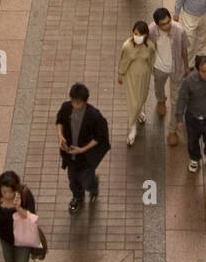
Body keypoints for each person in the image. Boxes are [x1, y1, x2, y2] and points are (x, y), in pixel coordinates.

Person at [55, 83, 111, 213]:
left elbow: (100, 137)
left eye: (78, 103)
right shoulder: (66, 108)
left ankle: (93, 187)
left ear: (85, 102)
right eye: (73, 102)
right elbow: (59, 120)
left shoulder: (94, 116)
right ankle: (77, 197)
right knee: (72, 180)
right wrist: (60, 136)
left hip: (86, 157)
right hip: (70, 154)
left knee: (86, 180)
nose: (75, 105)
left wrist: (82, 149)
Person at [149, 7, 189, 147]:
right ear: (156, 24)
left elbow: (184, 49)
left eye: (168, 22)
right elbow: (149, 48)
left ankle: (172, 130)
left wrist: (186, 66)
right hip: (159, 68)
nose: (167, 26)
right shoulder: (151, 30)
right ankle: (160, 100)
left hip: (177, 68)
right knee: (158, 87)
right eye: (163, 24)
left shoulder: (179, 31)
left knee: (176, 101)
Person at [118, 20, 156, 146]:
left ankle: (139, 112)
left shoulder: (150, 46)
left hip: (144, 76)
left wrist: (153, 72)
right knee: (133, 102)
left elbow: (151, 60)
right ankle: (132, 126)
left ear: (145, 35)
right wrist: (120, 74)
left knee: (142, 98)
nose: (137, 37)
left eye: (140, 34)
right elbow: (123, 61)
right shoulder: (127, 46)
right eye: (135, 33)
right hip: (131, 77)